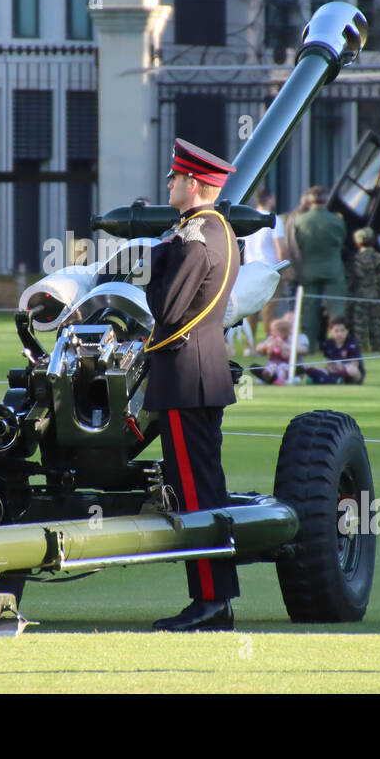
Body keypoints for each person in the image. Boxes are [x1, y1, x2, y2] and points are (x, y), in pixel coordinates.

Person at [144, 138, 241, 632]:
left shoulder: (192, 237)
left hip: (186, 378)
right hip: (199, 374)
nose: (169, 184)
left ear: (196, 184)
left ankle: (210, 602)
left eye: (175, 178)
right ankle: (215, 599)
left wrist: (155, 259)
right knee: (203, 489)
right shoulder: (213, 230)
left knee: (196, 494)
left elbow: (165, 309)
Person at [288, 185, 347, 346]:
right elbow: (342, 240)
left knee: (309, 309)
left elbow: (296, 244)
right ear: (326, 200)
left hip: (309, 269)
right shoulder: (336, 219)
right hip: (333, 268)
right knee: (336, 306)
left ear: (309, 200)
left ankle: (310, 344)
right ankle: (339, 343)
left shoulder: (299, 220)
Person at [240, 187, 285, 338]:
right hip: (270, 268)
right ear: (270, 199)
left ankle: (250, 344)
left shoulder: (248, 219)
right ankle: (268, 340)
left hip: (250, 268)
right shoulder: (275, 220)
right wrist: (283, 269)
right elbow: (280, 248)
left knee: (250, 308)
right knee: (269, 309)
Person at [348, 227, 380, 353]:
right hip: (375, 294)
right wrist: (375, 281)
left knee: (359, 325)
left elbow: (351, 277)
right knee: (376, 323)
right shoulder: (378, 257)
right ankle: (378, 349)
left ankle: (360, 349)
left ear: (357, 242)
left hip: (360, 295)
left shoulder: (356, 258)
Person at [307, 315, 365, 384]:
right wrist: (330, 368)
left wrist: (341, 368)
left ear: (347, 331)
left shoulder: (352, 343)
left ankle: (324, 379)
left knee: (352, 370)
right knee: (310, 367)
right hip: (334, 371)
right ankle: (332, 380)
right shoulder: (328, 344)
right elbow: (329, 363)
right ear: (330, 331)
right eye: (336, 331)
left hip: (349, 372)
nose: (339, 334)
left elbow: (354, 365)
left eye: (342, 330)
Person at [253, 314, 307, 385]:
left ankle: (280, 380)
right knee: (265, 368)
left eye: (274, 331)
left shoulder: (296, 338)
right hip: (274, 363)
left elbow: (302, 350)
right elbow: (262, 350)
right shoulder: (272, 339)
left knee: (284, 368)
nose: (272, 333)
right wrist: (268, 346)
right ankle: (268, 378)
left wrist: (284, 347)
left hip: (287, 365)